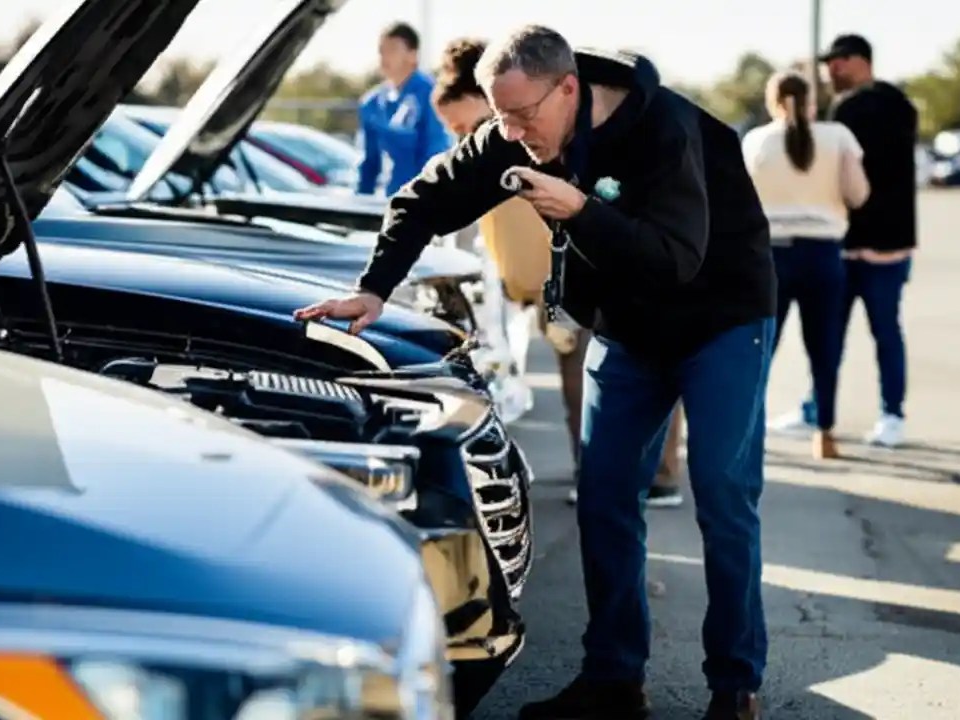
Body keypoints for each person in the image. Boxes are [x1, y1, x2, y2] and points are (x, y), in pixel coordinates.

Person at [296, 25, 775, 720]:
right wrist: (374, 288)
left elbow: (677, 258)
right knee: (605, 496)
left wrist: (583, 211)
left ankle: (736, 687)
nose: (512, 133)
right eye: (500, 116)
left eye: (523, 115)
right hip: (629, 329)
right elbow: (421, 199)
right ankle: (614, 681)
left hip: (721, 320)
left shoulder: (666, 129)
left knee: (723, 497)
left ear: (571, 89)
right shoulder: (517, 128)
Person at [430, 36, 685, 509]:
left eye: (465, 123)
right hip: (542, 281)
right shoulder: (492, 147)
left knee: (615, 372)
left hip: (585, 272)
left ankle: (653, 475)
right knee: (583, 381)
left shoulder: (542, 138)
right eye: (454, 130)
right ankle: (599, 472)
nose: (462, 136)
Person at [770, 34, 918, 448]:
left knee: (883, 331)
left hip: (883, 247)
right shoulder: (852, 110)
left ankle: (892, 413)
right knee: (827, 336)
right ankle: (816, 409)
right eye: (827, 63)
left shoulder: (879, 107)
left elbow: (868, 178)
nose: (831, 70)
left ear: (861, 61)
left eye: (839, 62)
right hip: (838, 244)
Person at [743, 71, 870, 460]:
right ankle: (824, 434)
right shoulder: (838, 137)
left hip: (771, 257)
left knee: (761, 349)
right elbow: (858, 194)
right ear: (809, 100)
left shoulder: (755, 141)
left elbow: (742, 203)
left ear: (772, 100)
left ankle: (748, 434)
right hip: (823, 256)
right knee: (824, 348)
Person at [356, 21, 452, 197]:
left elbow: (435, 151)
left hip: (424, 202)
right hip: (387, 201)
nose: (384, 57)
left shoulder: (432, 95)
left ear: (413, 55)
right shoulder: (371, 103)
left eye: (392, 50)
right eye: (381, 50)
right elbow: (369, 162)